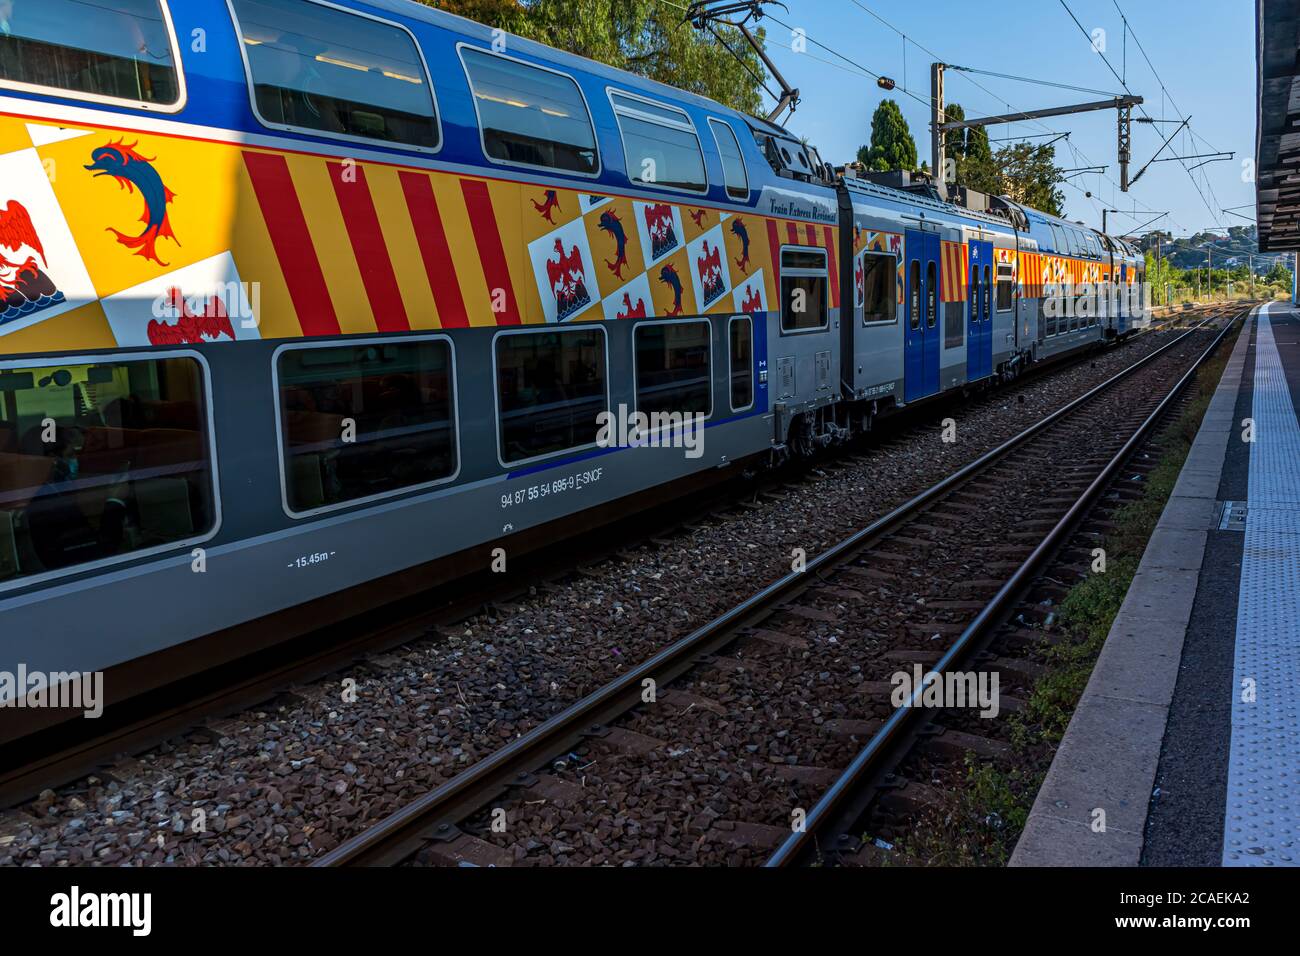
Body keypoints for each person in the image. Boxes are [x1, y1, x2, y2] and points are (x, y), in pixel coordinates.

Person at [25, 425, 131, 570]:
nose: (76, 461)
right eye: (70, 455)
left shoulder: (51, 494)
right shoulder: (50, 505)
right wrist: (115, 500)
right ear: (54, 461)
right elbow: (100, 551)